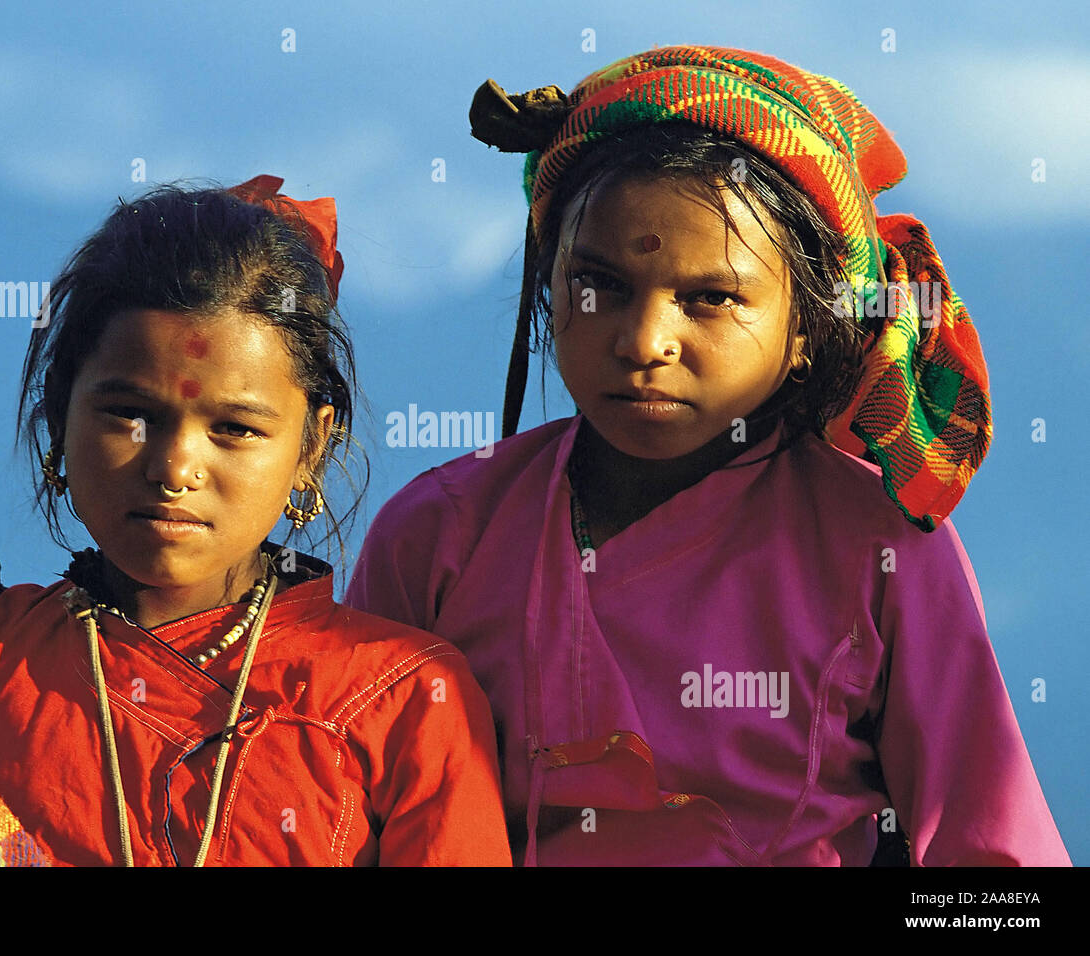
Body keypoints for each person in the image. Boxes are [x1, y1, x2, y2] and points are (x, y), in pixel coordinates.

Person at [346, 46, 1071, 866]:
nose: (644, 341)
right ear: (546, 283)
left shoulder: (884, 546)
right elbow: (353, 820)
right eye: (600, 284)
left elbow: (995, 860)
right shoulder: (439, 535)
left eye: (711, 298)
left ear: (807, 326)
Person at [0, 177, 511, 866]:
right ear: (59, 416)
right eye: (130, 415)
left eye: (235, 428)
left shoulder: (402, 702)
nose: (174, 468)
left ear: (311, 446)